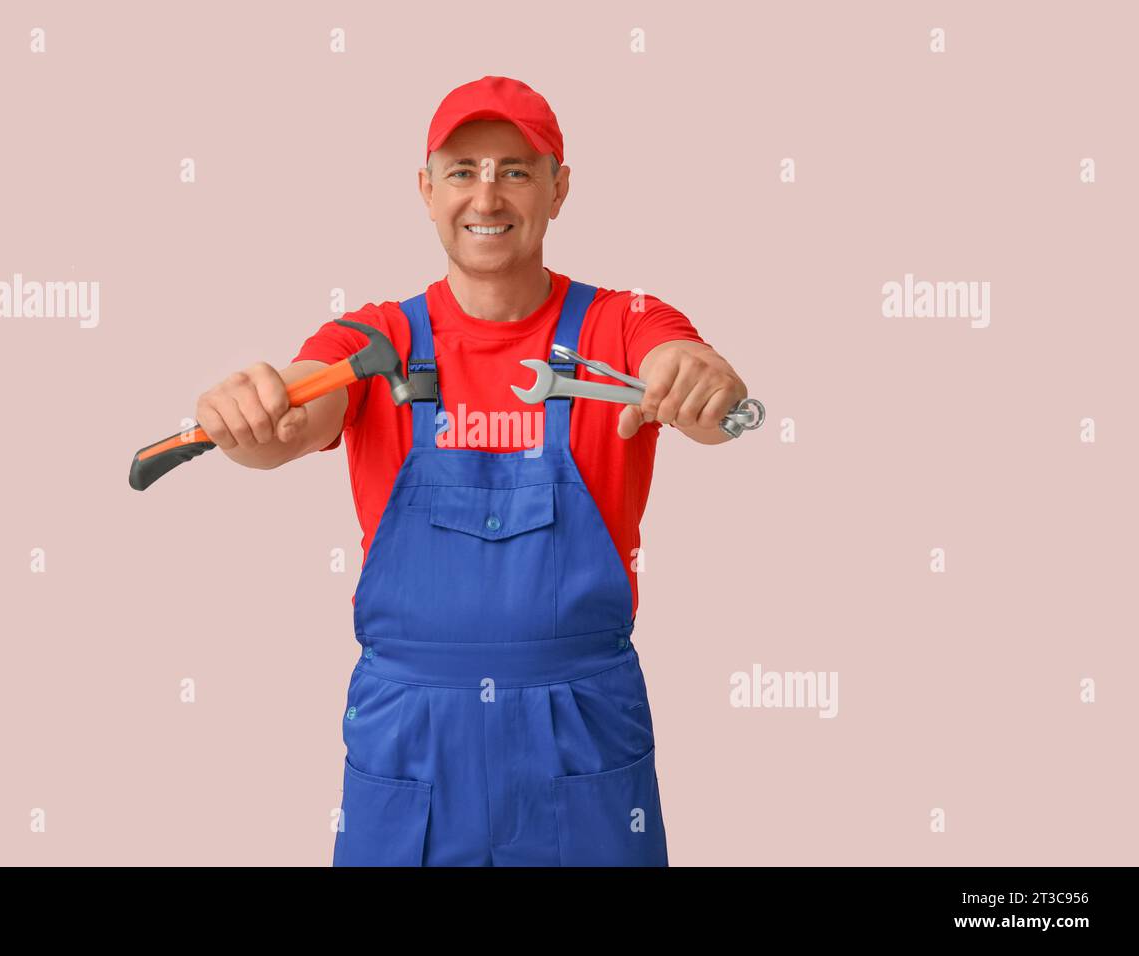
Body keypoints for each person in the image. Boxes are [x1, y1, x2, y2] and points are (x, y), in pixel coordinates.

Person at [194, 76, 749, 866]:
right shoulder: (373, 335)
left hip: (580, 729)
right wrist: (247, 418)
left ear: (559, 189)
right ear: (426, 191)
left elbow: (688, 369)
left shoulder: (620, 323)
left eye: (516, 170)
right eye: (462, 171)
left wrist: (703, 382)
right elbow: (286, 424)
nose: (487, 195)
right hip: (410, 736)